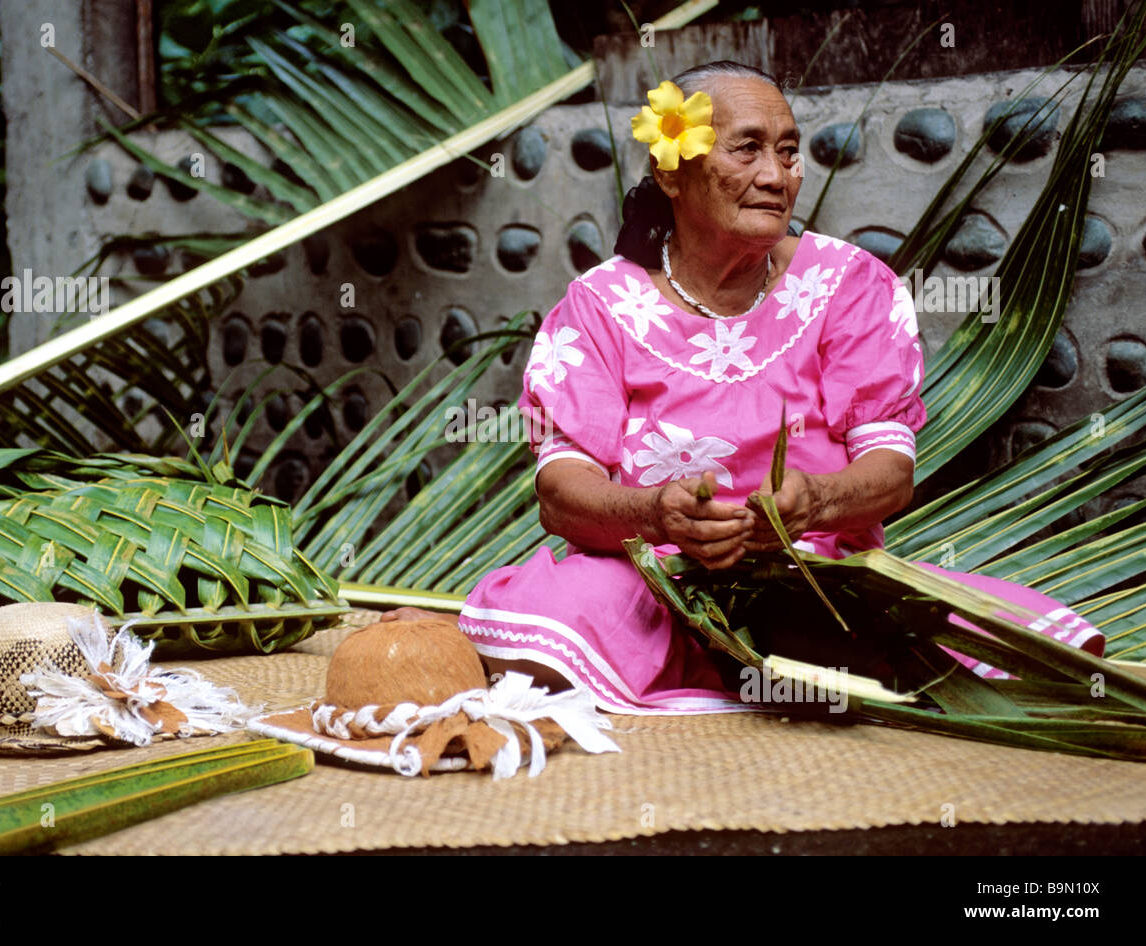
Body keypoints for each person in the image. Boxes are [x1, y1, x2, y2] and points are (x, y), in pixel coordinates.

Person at [384, 61, 1103, 714]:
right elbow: (561, 493)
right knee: (555, 616)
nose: (778, 174)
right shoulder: (600, 306)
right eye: (748, 148)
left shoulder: (849, 287)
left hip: (820, 583)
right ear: (673, 172)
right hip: (651, 584)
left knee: (1033, 653)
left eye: (789, 151)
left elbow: (891, 475)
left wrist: (815, 501)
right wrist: (657, 516)